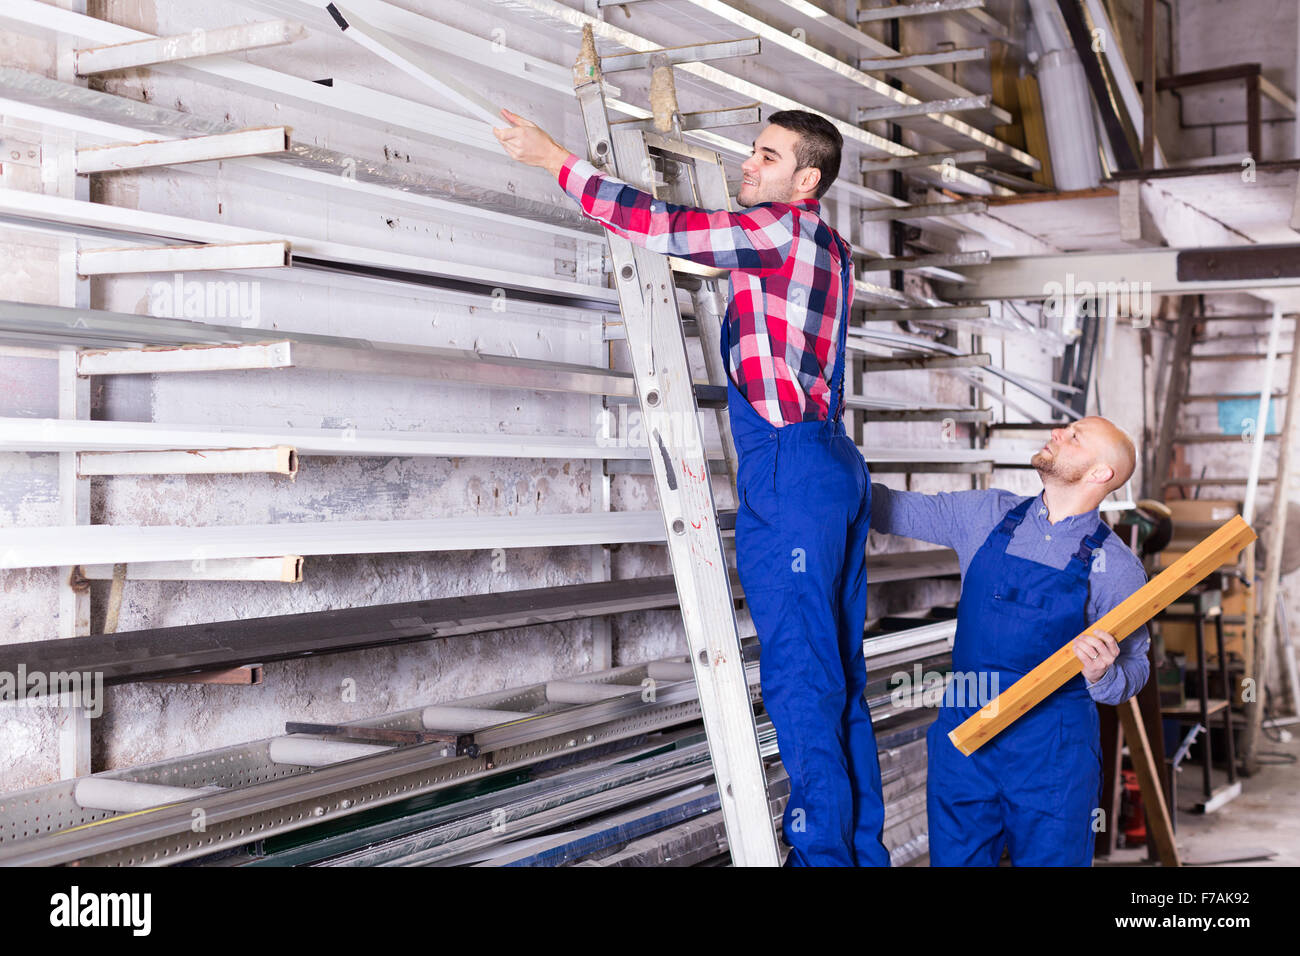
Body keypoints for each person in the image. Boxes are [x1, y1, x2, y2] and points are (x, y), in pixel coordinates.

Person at [494, 107, 889, 866]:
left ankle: (822, 860)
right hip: (834, 466)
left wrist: (552, 158)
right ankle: (861, 856)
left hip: (792, 470)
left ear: (805, 180)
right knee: (840, 682)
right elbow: (725, 267)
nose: (749, 165)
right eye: (752, 151)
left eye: (767, 157)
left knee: (803, 683)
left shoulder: (775, 231)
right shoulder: (829, 247)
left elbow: (663, 227)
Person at [870, 416, 1151, 866]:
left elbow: (1137, 665)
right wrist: (826, 471)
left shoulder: (1116, 568)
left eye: (1074, 437)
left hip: (1052, 753)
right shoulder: (986, 514)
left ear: (1101, 474)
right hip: (967, 738)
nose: (1058, 433)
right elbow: (890, 508)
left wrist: (1102, 675)